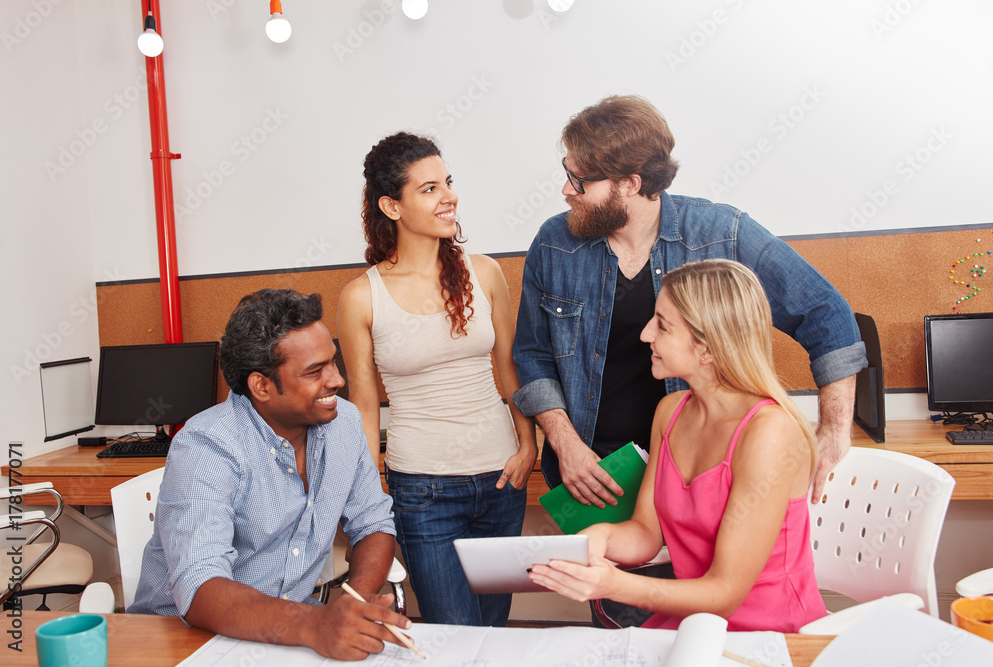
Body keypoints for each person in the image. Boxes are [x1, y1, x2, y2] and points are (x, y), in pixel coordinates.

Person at [513, 95, 866, 511]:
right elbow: (533, 355)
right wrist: (564, 443)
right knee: (604, 575)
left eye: (580, 181)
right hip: (593, 476)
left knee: (707, 577)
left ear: (630, 183)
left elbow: (826, 313)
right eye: (567, 174)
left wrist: (835, 429)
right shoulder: (554, 243)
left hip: (707, 472)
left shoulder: (723, 234)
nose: (566, 190)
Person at [529, 259, 829, 632]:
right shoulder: (670, 411)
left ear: (706, 348)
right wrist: (600, 537)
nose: (645, 334)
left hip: (767, 632)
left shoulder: (769, 432)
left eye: (662, 326)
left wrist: (614, 584)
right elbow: (645, 532)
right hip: (694, 623)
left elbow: (726, 593)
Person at [129, 289, 410, 662]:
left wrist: (355, 605)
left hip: (286, 633)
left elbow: (373, 523)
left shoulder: (344, 423)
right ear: (262, 386)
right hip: (186, 643)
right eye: (315, 371)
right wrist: (316, 624)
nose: (336, 380)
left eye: (332, 361)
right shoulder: (206, 447)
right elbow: (200, 589)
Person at [336, 132, 537, 627]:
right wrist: (370, 491)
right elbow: (363, 404)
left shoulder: (486, 274)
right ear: (391, 205)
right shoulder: (362, 297)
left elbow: (510, 370)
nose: (448, 197)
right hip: (421, 488)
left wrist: (527, 444)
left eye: (447, 183)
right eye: (428, 189)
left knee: (492, 629)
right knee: (454, 634)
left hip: (501, 477)